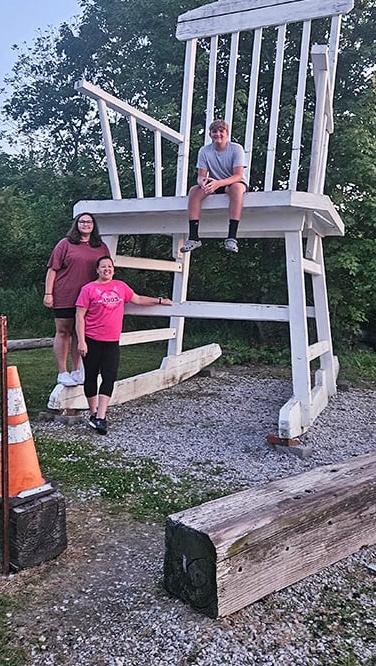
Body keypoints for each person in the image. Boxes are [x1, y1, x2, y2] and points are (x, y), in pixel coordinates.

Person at [75, 256, 172, 435]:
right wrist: (81, 341)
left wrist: (160, 300)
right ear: (97, 270)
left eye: (109, 266)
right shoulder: (88, 289)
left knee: (109, 376)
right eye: (103, 267)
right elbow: (79, 316)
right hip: (91, 340)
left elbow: (139, 299)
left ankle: (101, 418)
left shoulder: (120, 286)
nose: (107, 269)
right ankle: (93, 413)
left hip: (112, 341)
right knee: (90, 378)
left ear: (113, 269)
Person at [43, 213, 110, 386]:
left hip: (89, 298)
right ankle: (62, 372)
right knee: (64, 331)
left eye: (89, 222)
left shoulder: (101, 247)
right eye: (82, 221)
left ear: (94, 225)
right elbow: (52, 269)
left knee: (80, 334)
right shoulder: (65, 244)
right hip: (65, 294)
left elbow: (106, 270)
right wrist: (48, 293)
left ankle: (76, 370)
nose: (86, 224)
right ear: (76, 224)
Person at [180, 118, 248, 254]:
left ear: (227, 133)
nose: (218, 134)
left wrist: (218, 183)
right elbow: (201, 176)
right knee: (194, 191)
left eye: (221, 131)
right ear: (210, 134)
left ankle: (232, 237)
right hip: (214, 183)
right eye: (214, 131)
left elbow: (238, 176)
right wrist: (203, 183)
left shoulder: (236, 149)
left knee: (236, 188)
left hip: (233, 182)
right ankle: (193, 237)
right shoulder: (204, 151)